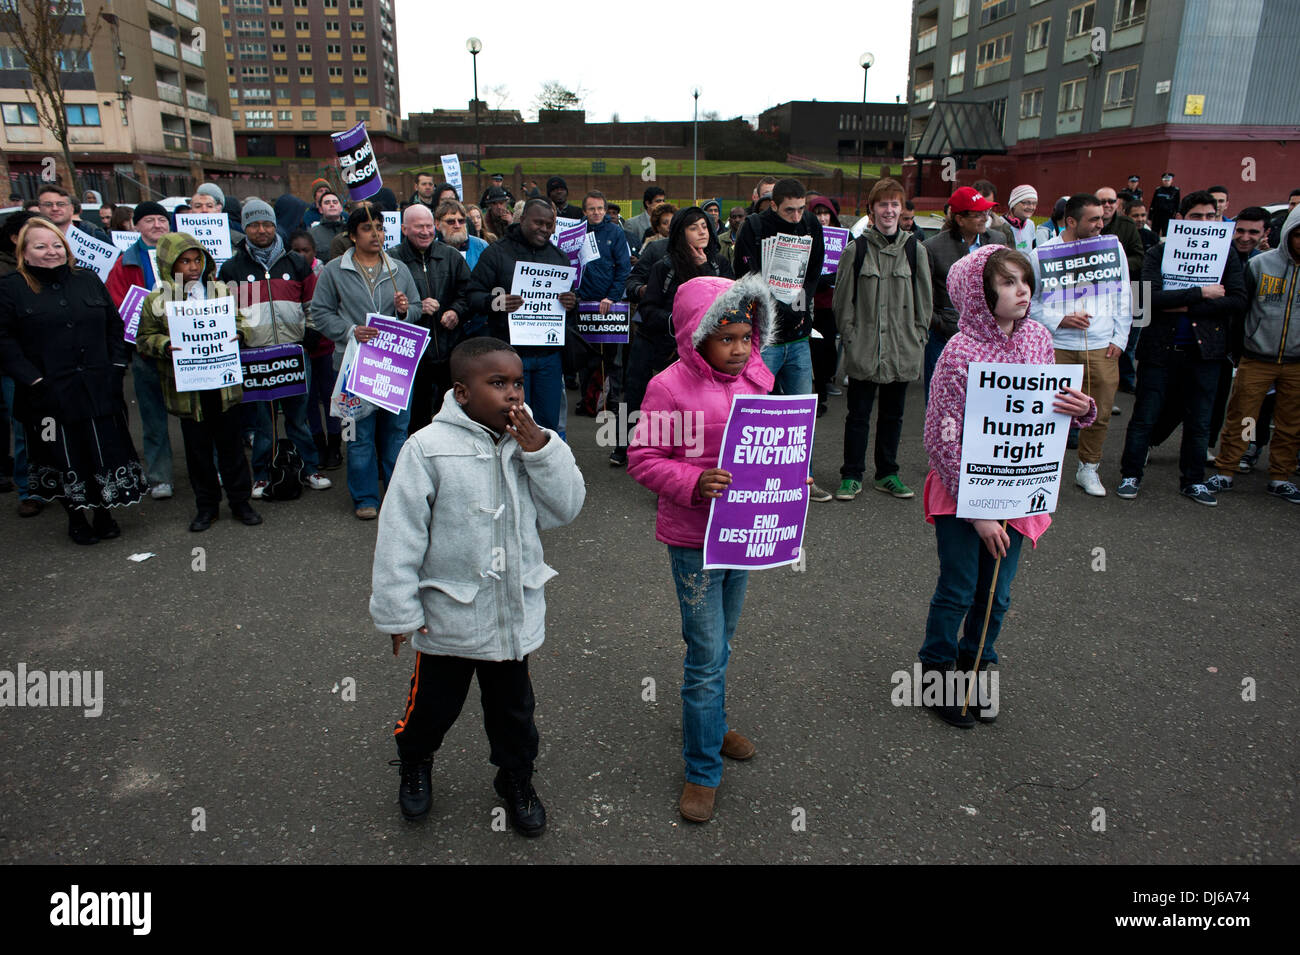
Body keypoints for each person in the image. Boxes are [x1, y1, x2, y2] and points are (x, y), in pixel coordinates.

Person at [370, 336, 585, 834]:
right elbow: (400, 536)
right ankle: (416, 763)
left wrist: (543, 453)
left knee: (514, 712)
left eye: (517, 383)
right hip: (449, 614)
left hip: (512, 612)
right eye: (497, 384)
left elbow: (566, 509)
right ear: (462, 393)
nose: (513, 395)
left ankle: (515, 778)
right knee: (431, 708)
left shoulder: (534, 439)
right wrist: (399, 614)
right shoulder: (427, 446)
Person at [920, 245, 1095, 727]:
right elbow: (940, 436)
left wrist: (1083, 409)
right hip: (963, 493)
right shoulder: (959, 353)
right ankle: (935, 673)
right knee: (958, 588)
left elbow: (1047, 412)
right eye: (1008, 282)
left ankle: (976, 670)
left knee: (996, 595)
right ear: (979, 294)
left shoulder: (1038, 338)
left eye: (1025, 280)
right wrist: (977, 511)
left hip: (1017, 488)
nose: (1023, 291)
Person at [627, 272, 779, 822]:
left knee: (723, 643)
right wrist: (694, 482)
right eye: (728, 338)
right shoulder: (668, 386)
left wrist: (790, 474)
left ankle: (709, 724)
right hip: (694, 540)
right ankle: (701, 768)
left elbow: (774, 442)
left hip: (744, 534)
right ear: (698, 335)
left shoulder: (758, 377)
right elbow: (644, 459)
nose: (740, 349)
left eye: (747, 335)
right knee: (706, 654)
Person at [0, 218, 149, 543]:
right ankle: (76, 517)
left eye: (56, 244)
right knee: (63, 455)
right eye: (40, 246)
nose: (50, 251)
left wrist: (116, 364)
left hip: (98, 387)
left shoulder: (87, 279)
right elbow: (4, 340)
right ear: (24, 251)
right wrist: (34, 380)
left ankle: (104, 512)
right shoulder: (11, 287)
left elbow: (113, 323)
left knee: (102, 452)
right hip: (47, 394)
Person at [1116, 191, 1247, 505]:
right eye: (1196, 216)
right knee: (1145, 416)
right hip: (1159, 351)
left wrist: (1184, 306)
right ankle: (1130, 475)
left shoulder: (1226, 255)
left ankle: (1192, 480)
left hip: (1206, 354)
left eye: (1210, 216)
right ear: (1180, 219)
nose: (1204, 222)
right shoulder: (1158, 253)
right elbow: (1146, 302)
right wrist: (1202, 293)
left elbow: (1238, 301)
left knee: (1199, 421)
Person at [136, 232, 261, 532]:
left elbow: (243, 322)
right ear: (169, 264)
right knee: (198, 452)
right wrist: (165, 345)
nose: (193, 267)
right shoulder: (157, 299)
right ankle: (206, 507)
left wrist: (240, 334)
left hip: (223, 386)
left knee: (231, 448)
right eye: (185, 261)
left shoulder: (219, 291)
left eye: (197, 260)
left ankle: (240, 502)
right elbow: (144, 339)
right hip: (188, 391)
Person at [310, 203, 423, 519]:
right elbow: (320, 313)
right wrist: (348, 331)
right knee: (358, 436)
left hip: (394, 367)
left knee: (396, 434)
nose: (376, 235)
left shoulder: (398, 268)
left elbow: (415, 311)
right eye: (368, 229)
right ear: (352, 235)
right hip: (352, 365)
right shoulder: (334, 270)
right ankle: (365, 498)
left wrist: (404, 310)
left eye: (381, 228)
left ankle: (397, 498)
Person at [218, 199, 331, 496]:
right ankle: (262, 474)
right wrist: (240, 338)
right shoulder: (232, 268)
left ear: (275, 226)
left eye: (267, 224)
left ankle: (309, 468)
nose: (262, 230)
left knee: (299, 416)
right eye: (254, 225)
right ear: (245, 228)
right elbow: (229, 312)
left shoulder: (296, 262)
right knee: (263, 422)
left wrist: (310, 335)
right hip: (256, 356)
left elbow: (314, 305)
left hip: (294, 352)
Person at [832, 178, 932, 502]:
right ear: (871, 211)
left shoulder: (915, 250)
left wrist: (918, 337)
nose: (889, 210)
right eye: (882, 204)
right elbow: (842, 302)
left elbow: (924, 301)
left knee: (894, 414)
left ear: (902, 210)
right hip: (864, 346)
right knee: (858, 414)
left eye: (894, 204)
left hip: (902, 347)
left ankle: (887, 473)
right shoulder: (856, 250)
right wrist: (850, 337)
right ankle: (851, 474)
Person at [732, 178, 830, 500]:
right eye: (790, 210)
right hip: (766, 336)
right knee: (758, 410)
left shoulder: (811, 224)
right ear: (773, 204)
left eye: (802, 209)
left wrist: (800, 303)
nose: (797, 216)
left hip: (799, 336)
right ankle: (755, 479)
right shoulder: (755, 227)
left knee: (801, 412)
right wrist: (774, 307)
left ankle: (805, 478)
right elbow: (745, 275)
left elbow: (815, 270)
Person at [1027, 193, 1132, 497]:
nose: (1101, 224)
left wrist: (1119, 339)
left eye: (1103, 218)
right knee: (1049, 411)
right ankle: (1040, 468)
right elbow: (1029, 303)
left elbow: (1125, 294)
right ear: (1071, 221)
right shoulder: (1041, 255)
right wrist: (1061, 319)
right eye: (1094, 219)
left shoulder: (1114, 249)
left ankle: (1088, 468)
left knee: (1097, 413)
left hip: (1102, 346)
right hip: (1056, 345)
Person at [615, 206, 732, 467]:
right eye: (694, 227)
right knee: (637, 393)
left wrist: (705, 270)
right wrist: (675, 322)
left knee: (684, 405)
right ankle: (624, 445)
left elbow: (727, 300)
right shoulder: (663, 264)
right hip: (655, 343)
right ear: (681, 233)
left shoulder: (719, 263)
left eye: (705, 226)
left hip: (697, 349)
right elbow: (648, 308)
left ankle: (678, 457)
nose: (702, 231)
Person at [1206, 205, 1300, 503]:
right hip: (1257, 356)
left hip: (1296, 362)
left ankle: (1280, 477)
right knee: (1243, 417)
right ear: (1289, 234)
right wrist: (1237, 350)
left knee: (1290, 422)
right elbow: (1239, 311)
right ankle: (1226, 469)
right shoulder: (1260, 265)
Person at [464, 198, 576, 433]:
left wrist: (571, 302)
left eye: (549, 225)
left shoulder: (560, 258)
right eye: (538, 223)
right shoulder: (497, 252)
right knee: (511, 421)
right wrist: (497, 301)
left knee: (548, 425)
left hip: (549, 356)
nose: (544, 229)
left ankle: (546, 467)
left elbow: (570, 300)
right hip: (510, 356)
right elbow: (472, 295)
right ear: (522, 219)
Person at [105, 201, 174, 498]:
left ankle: (209, 469)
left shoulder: (185, 253)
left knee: (198, 415)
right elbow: (116, 302)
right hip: (146, 351)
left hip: (187, 349)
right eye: (149, 220)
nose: (157, 225)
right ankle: (160, 477)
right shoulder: (126, 262)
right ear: (137, 225)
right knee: (153, 416)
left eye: (162, 219)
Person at [392, 202, 471, 432]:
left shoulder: (451, 256)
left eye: (429, 226)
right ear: (404, 229)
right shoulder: (392, 260)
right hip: (412, 355)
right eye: (419, 227)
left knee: (450, 414)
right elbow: (385, 304)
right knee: (415, 419)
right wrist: (412, 308)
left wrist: (456, 311)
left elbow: (468, 293)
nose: (426, 231)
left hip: (449, 349)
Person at [923, 186, 1004, 400]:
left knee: (982, 404)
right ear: (959, 219)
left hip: (988, 337)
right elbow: (924, 295)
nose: (984, 218)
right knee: (940, 400)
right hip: (944, 336)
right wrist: (939, 323)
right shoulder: (931, 248)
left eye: (986, 213)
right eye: (978, 214)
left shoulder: (998, 241)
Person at [574, 191, 631, 417]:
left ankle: (612, 400)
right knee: (586, 357)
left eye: (600, 208)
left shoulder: (616, 233)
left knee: (612, 358)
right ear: (584, 211)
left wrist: (612, 297)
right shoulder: (576, 233)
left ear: (605, 210)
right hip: (584, 304)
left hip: (610, 305)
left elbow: (623, 268)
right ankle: (587, 400)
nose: (596, 213)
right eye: (591, 209)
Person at [808, 196, 842, 416]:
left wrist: (832, 278)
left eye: (825, 213)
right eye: (818, 213)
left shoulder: (841, 239)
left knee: (826, 349)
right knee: (810, 352)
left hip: (830, 305)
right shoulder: (806, 236)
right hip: (808, 303)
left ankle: (823, 390)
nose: (822, 218)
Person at [37, 185, 109, 242]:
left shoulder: (92, 233)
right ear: (39, 208)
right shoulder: (31, 235)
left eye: (61, 204)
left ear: (72, 208)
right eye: (48, 204)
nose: (55, 208)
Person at [435, 199, 489, 269]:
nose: (457, 226)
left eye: (461, 221)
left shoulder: (481, 246)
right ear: (437, 224)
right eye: (451, 221)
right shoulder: (432, 250)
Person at [190, 183, 243, 247]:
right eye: (198, 206)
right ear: (191, 209)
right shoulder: (183, 237)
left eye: (209, 205)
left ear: (218, 208)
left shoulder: (238, 240)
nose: (204, 210)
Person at [623, 186, 666, 260]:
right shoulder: (632, 223)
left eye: (663, 201)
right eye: (658, 201)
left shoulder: (668, 223)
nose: (662, 204)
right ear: (648, 203)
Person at [310, 192, 348, 262]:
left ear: (341, 208)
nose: (332, 205)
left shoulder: (351, 229)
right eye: (327, 203)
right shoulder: (312, 234)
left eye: (335, 202)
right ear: (320, 209)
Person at [972, 180, 1011, 245]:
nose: (984, 209)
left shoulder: (1004, 228)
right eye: (980, 204)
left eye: (988, 205)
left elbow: (1011, 253)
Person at [1003, 185, 1039, 253]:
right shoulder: (1000, 224)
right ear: (1013, 204)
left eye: (1034, 203)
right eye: (1026, 203)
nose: (1031, 207)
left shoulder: (1030, 224)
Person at [1150, 172, 1180, 238]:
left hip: (1168, 215)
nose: (1166, 182)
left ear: (1171, 181)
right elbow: (1153, 203)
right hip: (1157, 214)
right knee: (1154, 232)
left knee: (1166, 233)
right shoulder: (1158, 190)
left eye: (1168, 180)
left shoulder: (1175, 191)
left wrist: (1176, 214)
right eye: (1165, 180)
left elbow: (1177, 204)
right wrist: (1150, 216)